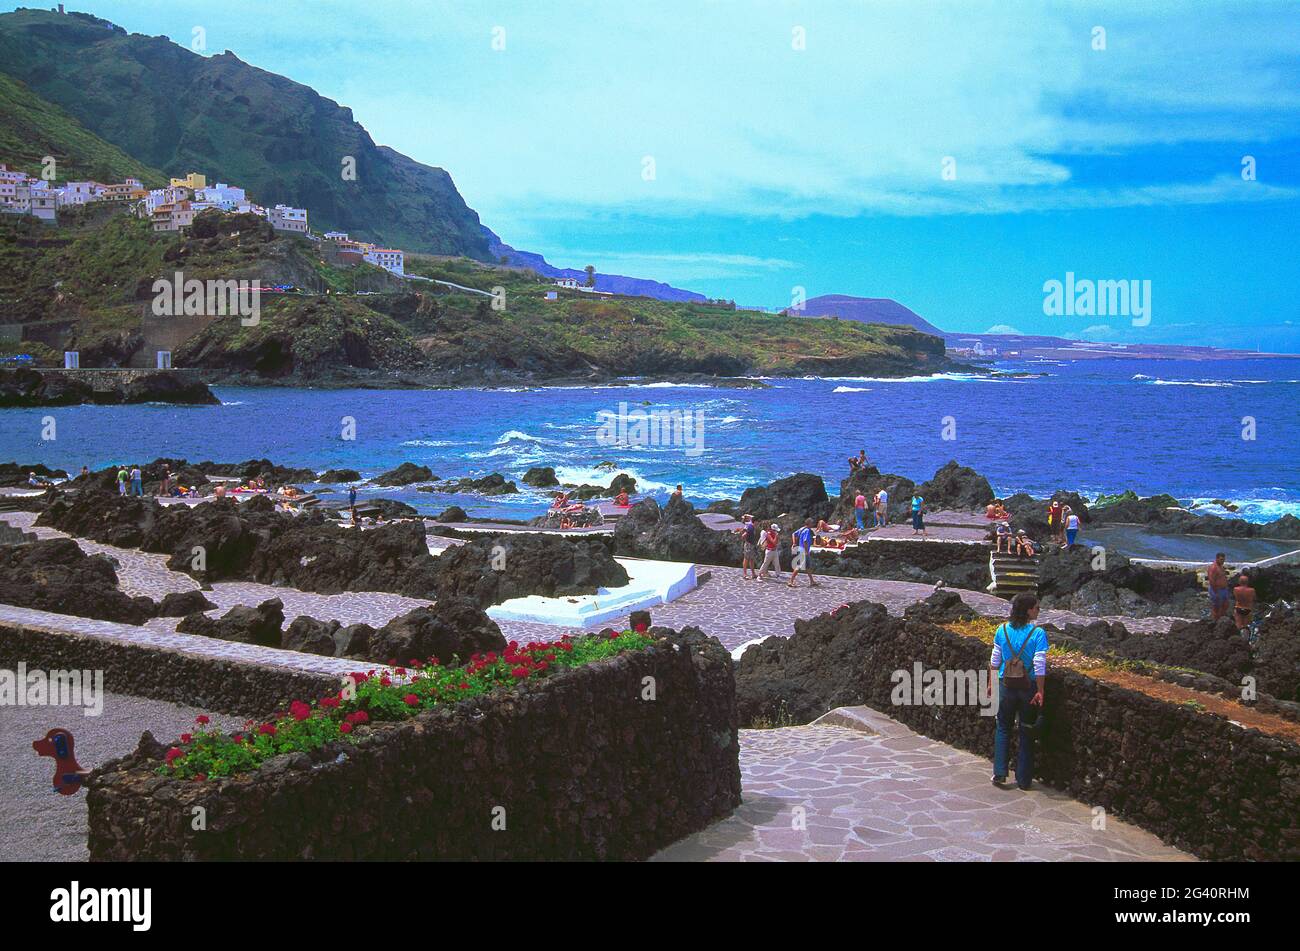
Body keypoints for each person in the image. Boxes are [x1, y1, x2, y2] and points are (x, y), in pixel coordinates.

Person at [988, 593, 1049, 790]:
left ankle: (999, 772)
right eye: (1036, 607)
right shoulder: (1038, 634)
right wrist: (1041, 690)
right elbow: (1039, 664)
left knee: (1003, 727)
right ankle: (1023, 780)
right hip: (1028, 686)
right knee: (1026, 731)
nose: (1038, 611)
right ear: (1028, 610)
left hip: (1006, 684)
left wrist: (991, 683)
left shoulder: (1002, 629)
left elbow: (995, 660)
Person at [789, 518, 818, 587]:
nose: (813, 524)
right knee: (798, 566)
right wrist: (806, 551)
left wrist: (794, 543)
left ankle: (812, 581)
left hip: (800, 549)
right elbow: (805, 541)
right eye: (812, 523)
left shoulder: (802, 529)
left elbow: (793, 534)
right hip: (803, 551)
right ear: (809, 524)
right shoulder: (807, 531)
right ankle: (790, 581)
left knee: (807, 566)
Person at [1207, 553, 1231, 621]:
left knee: (1226, 604)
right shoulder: (1213, 567)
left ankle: (1220, 618)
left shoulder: (1221, 566)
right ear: (1217, 558)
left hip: (1224, 589)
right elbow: (1211, 580)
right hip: (1217, 590)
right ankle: (1215, 620)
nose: (1223, 561)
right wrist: (1216, 592)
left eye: (1224, 560)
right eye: (1221, 559)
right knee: (1216, 607)